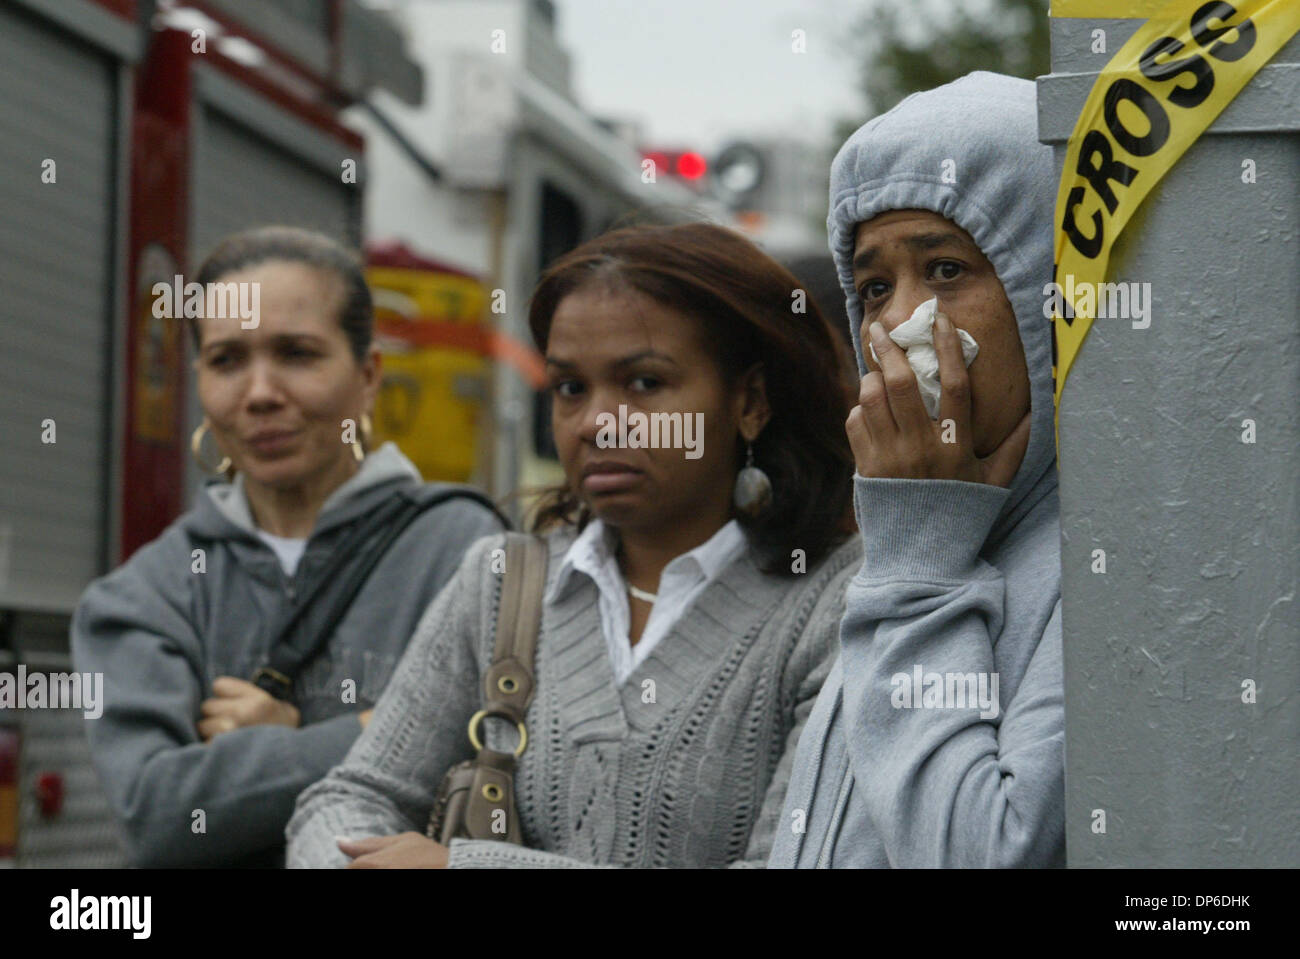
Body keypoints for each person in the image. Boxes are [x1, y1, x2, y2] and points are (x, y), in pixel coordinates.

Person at [286, 222, 861, 868]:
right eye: (569, 388)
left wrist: (463, 866)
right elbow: (349, 795)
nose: (595, 422)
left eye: (644, 383)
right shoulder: (504, 580)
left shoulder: (838, 604)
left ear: (750, 401)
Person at [71, 226, 505, 867]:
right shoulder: (143, 594)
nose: (261, 393)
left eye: (297, 354)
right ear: (199, 383)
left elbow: (505, 760)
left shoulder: (469, 553)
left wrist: (287, 742)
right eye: (227, 361)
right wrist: (369, 731)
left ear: (367, 376)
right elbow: (157, 815)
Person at [769, 72, 1065, 868]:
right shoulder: (905, 541)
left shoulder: (1116, 567)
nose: (899, 323)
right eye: (872, 287)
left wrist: (920, 562)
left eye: (944, 271)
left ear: (1048, 292)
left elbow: (985, 854)